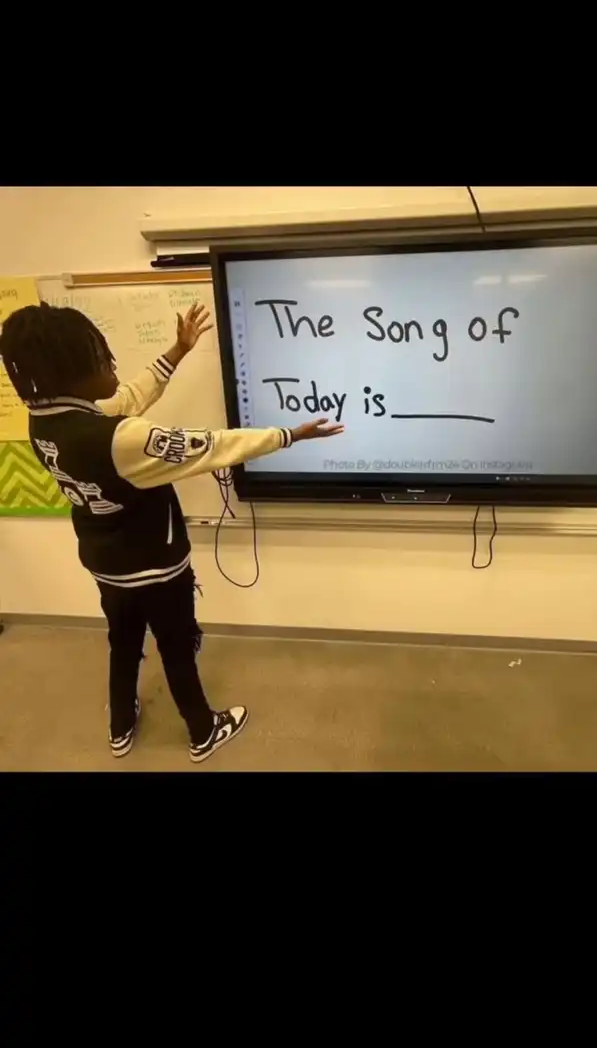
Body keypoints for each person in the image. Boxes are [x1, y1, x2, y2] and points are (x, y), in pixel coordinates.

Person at [0, 301, 343, 762]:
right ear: (72, 371)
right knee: (177, 647)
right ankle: (202, 731)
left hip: (106, 565)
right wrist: (289, 435)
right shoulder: (119, 438)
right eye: (100, 358)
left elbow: (126, 400)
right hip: (156, 566)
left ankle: (121, 725)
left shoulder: (43, 417)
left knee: (123, 641)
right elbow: (214, 446)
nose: (113, 364)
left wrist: (178, 351)